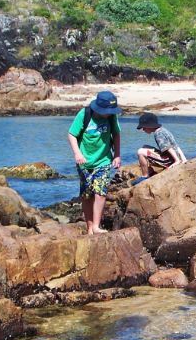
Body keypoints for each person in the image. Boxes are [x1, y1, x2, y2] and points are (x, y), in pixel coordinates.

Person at [67, 90, 121, 235]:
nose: (109, 114)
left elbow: (116, 134)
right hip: (84, 162)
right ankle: (90, 227)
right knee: (86, 195)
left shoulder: (112, 117)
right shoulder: (84, 114)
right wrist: (77, 153)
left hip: (103, 160)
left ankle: (96, 226)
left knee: (101, 192)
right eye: (107, 111)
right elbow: (71, 134)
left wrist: (117, 155)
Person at [134, 112, 186, 183]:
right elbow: (175, 145)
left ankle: (145, 176)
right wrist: (184, 159)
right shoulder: (162, 129)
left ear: (149, 126)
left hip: (169, 160)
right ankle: (149, 170)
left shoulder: (158, 134)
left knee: (140, 151)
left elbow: (168, 147)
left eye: (143, 127)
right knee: (145, 147)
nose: (143, 130)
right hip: (172, 157)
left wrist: (177, 161)